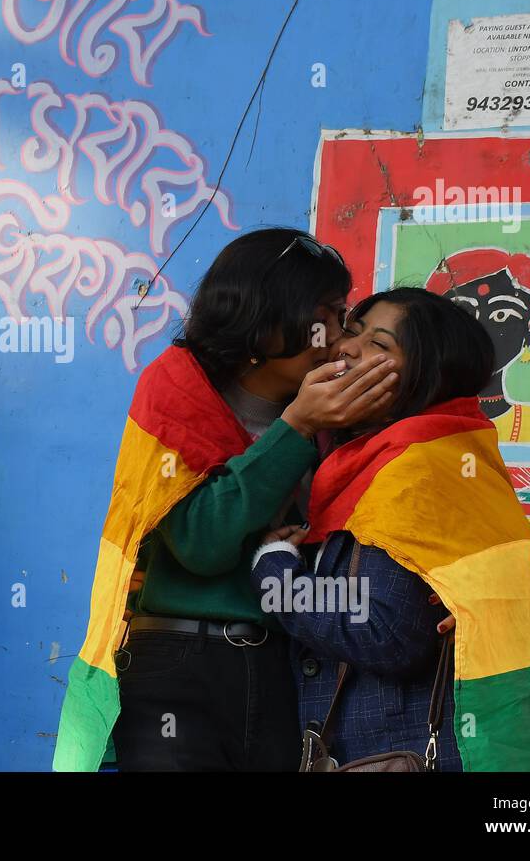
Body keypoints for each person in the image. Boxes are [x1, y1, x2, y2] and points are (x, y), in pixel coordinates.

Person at [53, 228, 400, 771]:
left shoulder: (342, 416)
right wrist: (297, 425)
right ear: (267, 324)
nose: (337, 338)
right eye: (329, 316)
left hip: (287, 667)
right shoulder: (177, 388)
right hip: (181, 666)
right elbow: (202, 544)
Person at [252, 287, 530, 771]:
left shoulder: (413, 470)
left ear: (426, 375)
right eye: (353, 333)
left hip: (400, 750)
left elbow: (385, 630)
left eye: (379, 345)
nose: (347, 349)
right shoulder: (433, 455)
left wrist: (276, 571)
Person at [425, 248, 530, 444]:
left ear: (529, 334)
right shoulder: (415, 420)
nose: (479, 329)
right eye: (464, 314)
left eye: (501, 315)